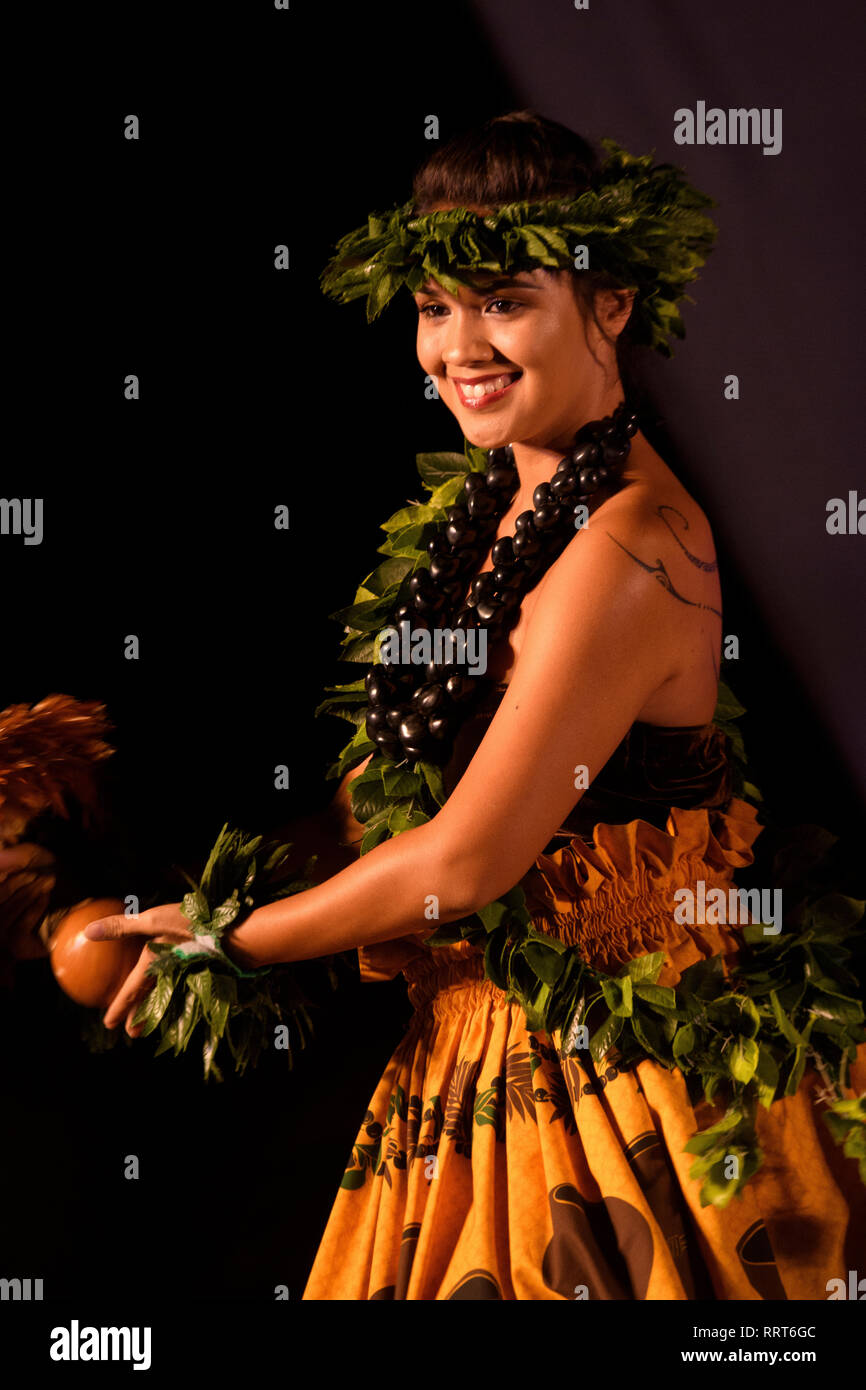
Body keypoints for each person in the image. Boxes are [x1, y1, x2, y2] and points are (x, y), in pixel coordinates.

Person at [81, 112, 865, 1300]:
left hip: (623, 1060)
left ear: (609, 303)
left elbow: (467, 857)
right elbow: (404, 803)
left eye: (500, 300)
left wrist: (225, 946)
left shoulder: (630, 540)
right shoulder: (493, 506)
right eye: (433, 308)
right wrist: (229, 891)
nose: (456, 347)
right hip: (472, 1047)